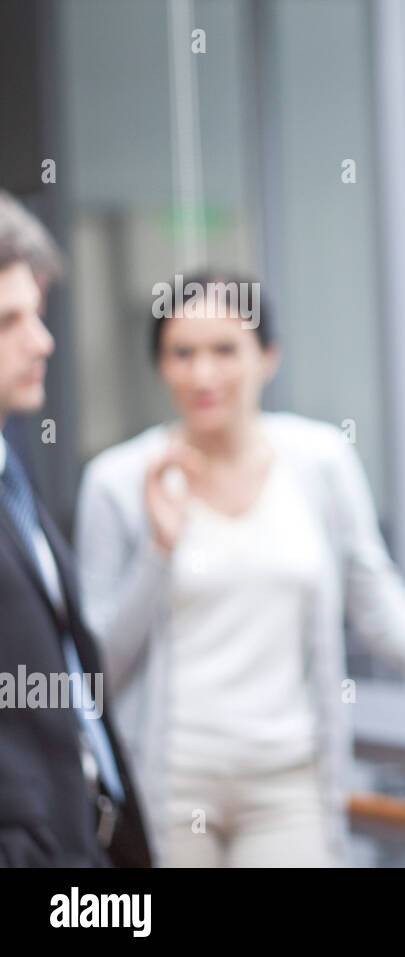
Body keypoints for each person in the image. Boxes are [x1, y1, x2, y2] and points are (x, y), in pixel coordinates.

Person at [74, 272, 405, 867]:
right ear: (160, 365)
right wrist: (158, 551)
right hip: (171, 782)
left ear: (268, 356)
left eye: (225, 350)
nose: (203, 375)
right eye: (182, 354)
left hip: (288, 782)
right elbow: (97, 667)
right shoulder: (118, 482)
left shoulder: (321, 462)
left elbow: (382, 613)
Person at [0, 191, 151, 866]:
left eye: (36, 313)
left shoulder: (14, 471)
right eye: (9, 321)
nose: (43, 340)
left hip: (91, 839)